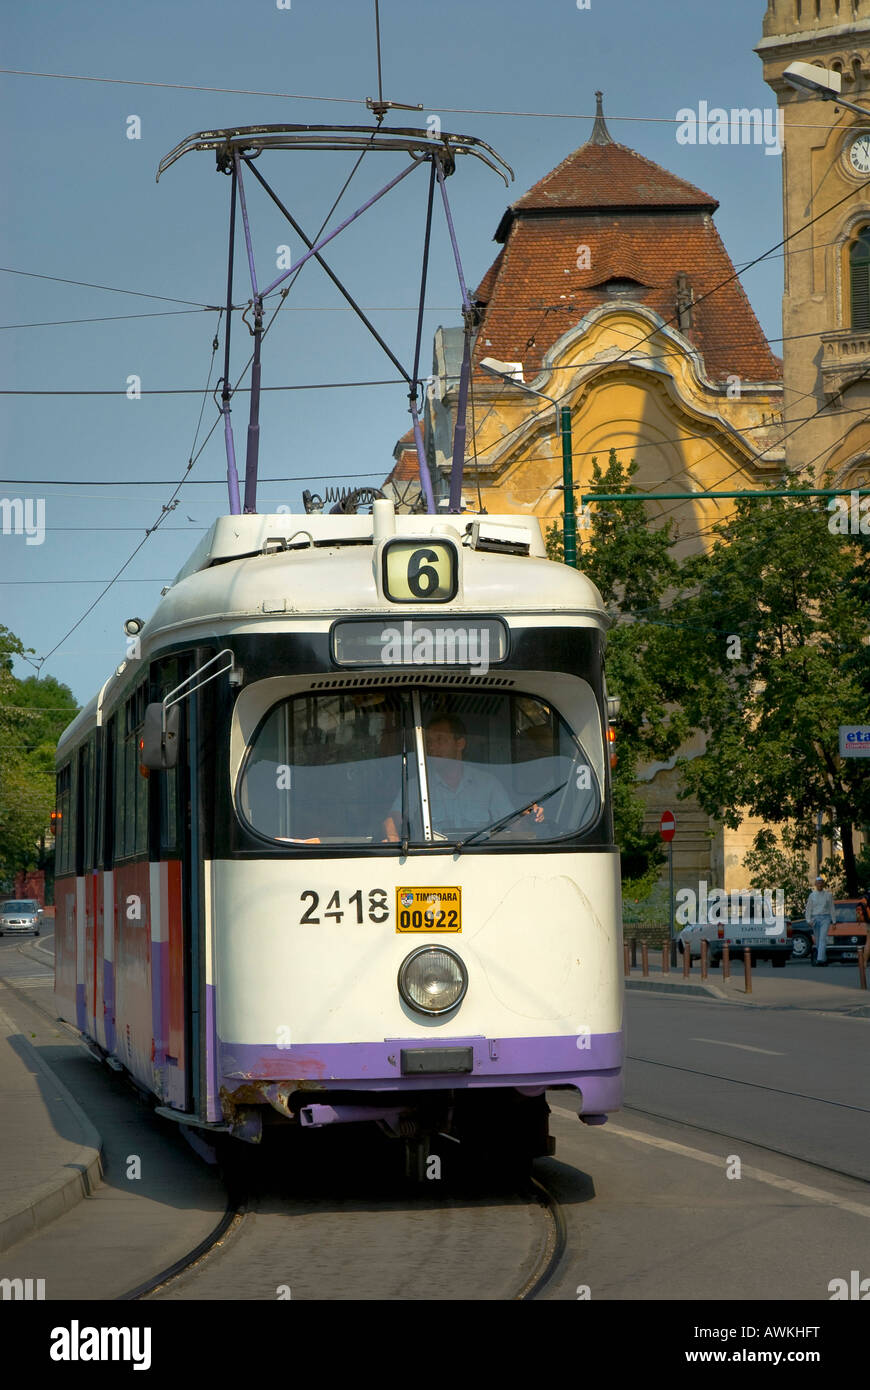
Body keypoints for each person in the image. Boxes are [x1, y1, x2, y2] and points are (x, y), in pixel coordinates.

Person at [383, 714, 542, 842]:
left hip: (479, 861)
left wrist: (528, 816)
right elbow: (392, 819)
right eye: (429, 742)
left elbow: (515, 826)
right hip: (431, 862)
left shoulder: (488, 784)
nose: (432, 747)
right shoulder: (417, 785)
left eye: (440, 740)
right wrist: (392, 837)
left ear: (460, 744)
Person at [804, 875, 835, 966]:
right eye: (818, 883)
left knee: (822, 938)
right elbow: (808, 909)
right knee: (818, 940)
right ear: (815, 884)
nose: (820, 885)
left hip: (825, 918)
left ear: (823, 884)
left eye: (821, 883)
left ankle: (820, 959)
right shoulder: (812, 895)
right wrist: (808, 920)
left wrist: (834, 921)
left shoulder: (828, 895)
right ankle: (823, 958)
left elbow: (832, 908)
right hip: (815, 918)